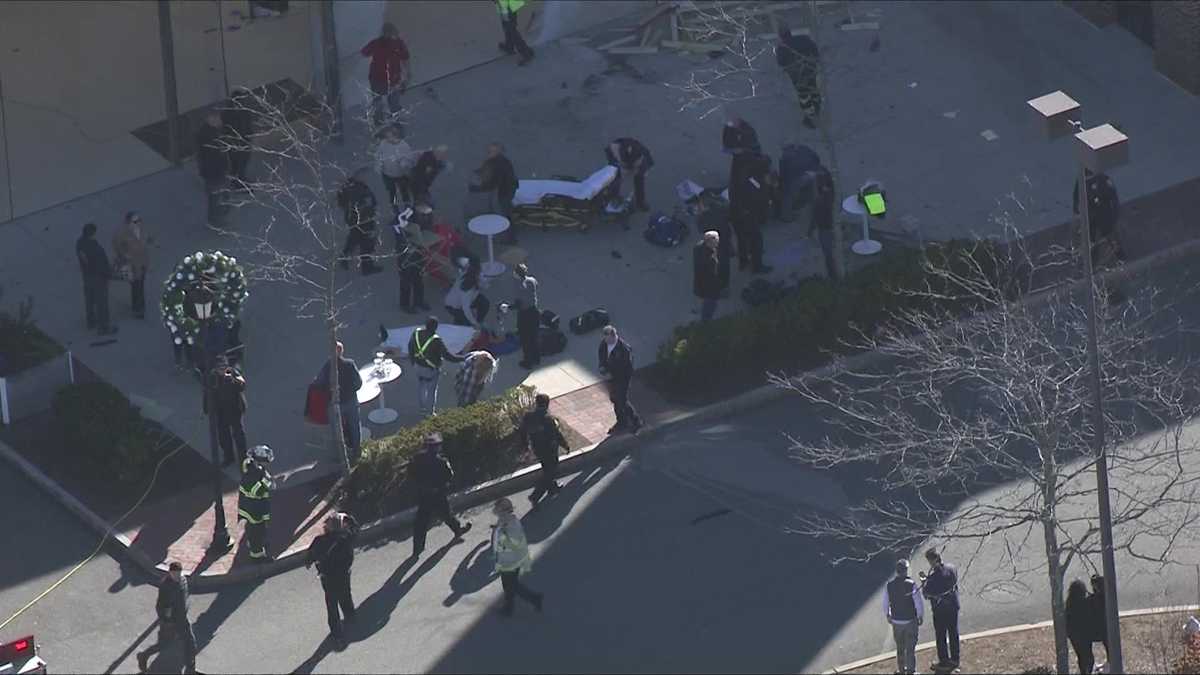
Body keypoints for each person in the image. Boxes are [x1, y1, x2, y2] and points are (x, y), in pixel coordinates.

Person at [408, 433, 472, 558]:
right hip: (438, 494)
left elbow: (411, 474)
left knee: (421, 522)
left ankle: (417, 549)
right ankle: (458, 530)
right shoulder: (441, 462)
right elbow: (449, 476)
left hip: (424, 495)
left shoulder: (417, 458)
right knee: (446, 513)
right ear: (437, 447)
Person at [306, 512, 359, 651]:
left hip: (328, 578)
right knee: (346, 594)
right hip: (344, 575)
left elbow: (308, 557)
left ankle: (337, 634)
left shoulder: (319, 541)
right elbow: (356, 529)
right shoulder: (346, 538)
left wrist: (309, 562)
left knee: (332, 604)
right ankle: (349, 614)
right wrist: (348, 517)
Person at [136, 562, 196, 674]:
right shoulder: (166, 586)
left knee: (191, 643)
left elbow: (184, 596)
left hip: (183, 618)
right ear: (170, 573)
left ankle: (190, 669)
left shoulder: (183, 580)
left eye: (179, 574)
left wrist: (186, 606)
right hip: (171, 622)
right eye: (175, 574)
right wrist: (166, 620)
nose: (177, 576)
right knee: (164, 644)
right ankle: (144, 655)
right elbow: (160, 606)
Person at [491, 496, 543, 616]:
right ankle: (509, 606)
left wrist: (503, 537)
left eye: (498, 510)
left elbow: (513, 541)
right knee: (508, 584)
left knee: (512, 585)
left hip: (511, 560)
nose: (497, 513)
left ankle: (534, 598)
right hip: (506, 559)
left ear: (503, 511)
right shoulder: (504, 521)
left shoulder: (510, 523)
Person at [315, 341, 365, 462]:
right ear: (342, 351)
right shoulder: (349, 364)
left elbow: (319, 384)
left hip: (335, 403)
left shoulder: (327, 367)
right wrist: (351, 391)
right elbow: (358, 383)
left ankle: (340, 454)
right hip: (351, 400)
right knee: (354, 426)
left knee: (337, 428)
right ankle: (357, 451)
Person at [408, 317, 466, 416]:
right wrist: (464, 358)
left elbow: (410, 348)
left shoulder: (416, 333)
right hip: (431, 370)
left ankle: (422, 408)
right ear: (436, 327)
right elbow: (448, 356)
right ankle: (430, 412)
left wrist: (413, 362)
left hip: (417, 366)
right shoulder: (436, 340)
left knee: (421, 387)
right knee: (431, 391)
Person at [520, 393, 570, 507]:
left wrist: (525, 446)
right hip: (550, 449)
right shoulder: (548, 419)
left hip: (537, 448)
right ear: (547, 404)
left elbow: (522, 431)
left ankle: (553, 488)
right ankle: (535, 496)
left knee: (546, 468)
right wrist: (565, 445)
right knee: (551, 471)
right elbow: (556, 435)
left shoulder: (528, 416)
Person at [730, 152, 773, 275]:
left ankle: (743, 261)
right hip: (749, 217)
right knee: (756, 242)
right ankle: (757, 266)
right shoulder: (760, 185)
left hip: (736, 213)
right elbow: (762, 204)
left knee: (742, 239)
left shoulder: (744, 174)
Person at [361, 22, 410, 126]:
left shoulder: (395, 43)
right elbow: (365, 52)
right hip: (381, 79)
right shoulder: (380, 43)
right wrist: (407, 76)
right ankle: (383, 125)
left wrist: (407, 75)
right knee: (384, 103)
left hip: (388, 79)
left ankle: (389, 124)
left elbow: (405, 59)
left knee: (388, 103)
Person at [1072, 169, 1123, 268]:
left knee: (1096, 239)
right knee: (1106, 236)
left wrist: (1077, 210)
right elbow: (1113, 196)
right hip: (1101, 215)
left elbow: (1076, 199)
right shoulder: (1102, 179)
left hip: (1096, 216)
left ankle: (1094, 263)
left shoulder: (1083, 182)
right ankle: (1119, 256)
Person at [598, 325, 643, 435]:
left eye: (607, 338)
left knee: (622, 399)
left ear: (613, 336)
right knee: (614, 398)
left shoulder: (623, 348)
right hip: (611, 376)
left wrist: (611, 370)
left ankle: (636, 421)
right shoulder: (604, 344)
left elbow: (626, 365)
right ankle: (621, 421)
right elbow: (602, 357)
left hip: (623, 376)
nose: (605, 341)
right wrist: (602, 367)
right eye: (604, 338)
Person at [470, 143, 520, 242]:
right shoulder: (499, 160)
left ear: (498, 152)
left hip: (506, 191)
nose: (489, 153)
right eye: (489, 151)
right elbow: (487, 169)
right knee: (504, 208)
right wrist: (480, 172)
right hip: (509, 188)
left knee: (506, 212)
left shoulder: (498, 165)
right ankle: (508, 232)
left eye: (492, 151)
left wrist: (476, 188)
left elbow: (491, 184)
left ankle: (510, 238)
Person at [337, 169, 384, 276]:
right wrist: (370, 209)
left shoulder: (349, 187)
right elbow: (362, 205)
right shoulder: (358, 189)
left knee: (353, 239)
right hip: (363, 220)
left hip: (354, 220)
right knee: (367, 243)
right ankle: (367, 267)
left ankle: (344, 258)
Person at [775, 24, 821, 129]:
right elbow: (815, 50)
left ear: (781, 36)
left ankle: (811, 117)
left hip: (797, 74)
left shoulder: (782, 47)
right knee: (813, 88)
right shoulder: (803, 39)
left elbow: (781, 62)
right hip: (810, 69)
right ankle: (817, 107)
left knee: (803, 95)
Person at [205, 355, 248, 467]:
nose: (222, 370)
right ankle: (229, 457)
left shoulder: (233, 373)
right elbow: (207, 393)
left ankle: (243, 459)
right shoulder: (212, 376)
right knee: (224, 437)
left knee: (239, 436)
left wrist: (232, 380)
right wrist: (207, 408)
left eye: (224, 366)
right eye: (220, 367)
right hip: (221, 411)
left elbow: (242, 385)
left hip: (235, 409)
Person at [922, 548, 961, 670]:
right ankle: (955, 659)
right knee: (953, 633)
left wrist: (924, 582)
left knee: (941, 636)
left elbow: (926, 594)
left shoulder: (934, 578)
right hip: (953, 606)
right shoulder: (951, 568)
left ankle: (944, 661)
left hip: (940, 611)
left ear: (933, 560)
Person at [76, 222, 117, 335]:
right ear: (92, 234)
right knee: (102, 303)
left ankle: (91, 322)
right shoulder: (95, 248)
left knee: (89, 300)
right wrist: (109, 274)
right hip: (98, 278)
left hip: (87, 276)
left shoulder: (79, 243)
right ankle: (104, 327)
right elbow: (101, 265)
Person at [885, 559, 925, 675]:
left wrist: (888, 614)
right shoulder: (911, 584)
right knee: (910, 647)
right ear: (906, 570)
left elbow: (885, 602)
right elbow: (918, 603)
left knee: (900, 647)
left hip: (897, 621)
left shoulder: (889, 585)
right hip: (910, 621)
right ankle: (911, 670)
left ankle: (901, 670)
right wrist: (920, 615)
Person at [238, 444, 275, 561]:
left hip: (253, 506)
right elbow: (255, 492)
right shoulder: (252, 473)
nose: (267, 464)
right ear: (259, 461)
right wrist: (266, 483)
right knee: (256, 531)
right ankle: (257, 555)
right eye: (265, 461)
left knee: (256, 528)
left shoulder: (254, 468)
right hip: (253, 508)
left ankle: (256, 543)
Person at [112, 211, 152, 320]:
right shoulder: (122, 234)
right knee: (137, 286)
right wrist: (124, 256)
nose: (138, 223)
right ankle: (139, 309)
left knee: (139, 286)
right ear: (128, 223)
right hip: (132, 265)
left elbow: (146, 241)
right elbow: (116, 246)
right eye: (135, 221)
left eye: (139, 220)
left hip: (142, 263)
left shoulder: (142, 230)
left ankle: (138, 306)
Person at [196, 111, 230, 228]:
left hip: (214, 170)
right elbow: (213, 155)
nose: (220, 121)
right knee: (215, 196)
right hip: (214, 171)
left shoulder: (210, 132)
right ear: (211, 119)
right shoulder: (209, 135)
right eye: (218, 119)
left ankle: (216, 218)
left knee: (216, 196)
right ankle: (216, 220)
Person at [696, 194, 734, 292]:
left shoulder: (705, 217)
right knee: (724, 261)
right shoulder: (720, 209)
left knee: (721, 264)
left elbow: (701, 228)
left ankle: (722, 286)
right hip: (725, 236)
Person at [605, 137, 654, 212]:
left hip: (629, 160)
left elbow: (649, 163)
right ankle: (613, 197)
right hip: (619, 159)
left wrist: (644, 170)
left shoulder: (642, 151)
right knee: (616, 177)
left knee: (640, 179)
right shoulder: (615, 152)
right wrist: (623, 170)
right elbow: (623, 170)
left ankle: (640, 202)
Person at [394, 215, 429, 314]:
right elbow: (400, 247)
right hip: (405, 261)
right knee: (406, 283)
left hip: (416, 257)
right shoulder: (399, 232)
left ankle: (418, 301)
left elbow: (420, 241)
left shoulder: (415, 228)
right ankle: (404, 305)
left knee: (419, 281)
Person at [377, 125, 416, 213]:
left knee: (404, 192)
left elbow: (409, 159)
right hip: (387, 174)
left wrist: (403, 162)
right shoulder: (383, 144)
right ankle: (395, 211)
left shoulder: (404, 146)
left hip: (401, 175)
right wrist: (379, 165)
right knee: (392, 193)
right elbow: (379, 156)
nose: (388, 139)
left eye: (390, 136)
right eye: (387, 137)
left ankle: (408, 211)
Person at [778, 143, 821, 222]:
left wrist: (782, 183)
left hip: (798, 177)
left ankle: (786, 216)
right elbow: (816, 158)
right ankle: (816, 206)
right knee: (812, 188)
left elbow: (784, 174)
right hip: (811, 173)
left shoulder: (785, 157)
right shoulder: (804, 148)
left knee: (789, 196)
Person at [222, 87, 256, 186]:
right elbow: (226, 129)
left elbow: (248, 125)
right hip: (235, 142)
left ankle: (239, 179)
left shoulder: (244, 111)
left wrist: (249, 136)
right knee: (236, 163)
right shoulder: (228, 113)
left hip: (244, 141)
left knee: (243, 161)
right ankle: (238, 181)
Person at [809, 165, 838, 279]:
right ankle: (833, 274)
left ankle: (833, 275)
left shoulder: (820, 200)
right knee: (830, 250)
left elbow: (815, 217)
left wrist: (810, 231)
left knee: (828, 252)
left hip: (825, 227)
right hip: (829, 223)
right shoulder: (830, 192)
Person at [444, 259, 490, 330]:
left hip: (469, 300)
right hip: (454, 306)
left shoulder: (474, 276)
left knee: (485, 303)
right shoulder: (466, 290)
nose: (481, 275)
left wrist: (483, 282)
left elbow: (485, 286)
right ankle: (458, 325)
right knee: (467, 323)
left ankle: (478, 321)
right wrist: (474, 323)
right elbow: (466, 309)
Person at [511, 263, 540, 369]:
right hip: (534, 312)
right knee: (534, 336)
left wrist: (508, 307)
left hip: (524, 315)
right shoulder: (532, 280)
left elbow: (518, 304)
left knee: (525, 339)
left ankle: (528, 361)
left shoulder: (518, 286)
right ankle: (537, 358)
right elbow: (537, 287)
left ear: (517, 274)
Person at [1066, 579, 1097, 675]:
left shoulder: (1069, 604)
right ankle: (1086, 671)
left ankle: (1084, 671)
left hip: (1074, 636)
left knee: (1081, 657)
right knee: (1089, 658)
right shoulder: (1085, 603)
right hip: (1084, 635)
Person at [495, 0, 535, 66]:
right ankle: (509, 45)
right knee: (507, 25)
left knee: (510, 27)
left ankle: (526, 52)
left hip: (506, 5)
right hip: (510, 4)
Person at [693, 230, 721, 321]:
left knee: (708, 301)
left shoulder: (698, 247)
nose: (717, 243)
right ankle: (706, 321)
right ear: (709, 242)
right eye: (716, 241)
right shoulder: (709, 258)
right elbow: (711, 272)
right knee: (710, 303)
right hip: (708, 285)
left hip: (701, 283)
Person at [1089, 574, 1110, 663]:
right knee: (1108, 644)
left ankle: (1110, 661)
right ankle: (1110, 660)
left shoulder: (1101, 598)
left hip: (1102, 626)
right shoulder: (1105, 596)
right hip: (1103, 626)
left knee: (1108, 643)